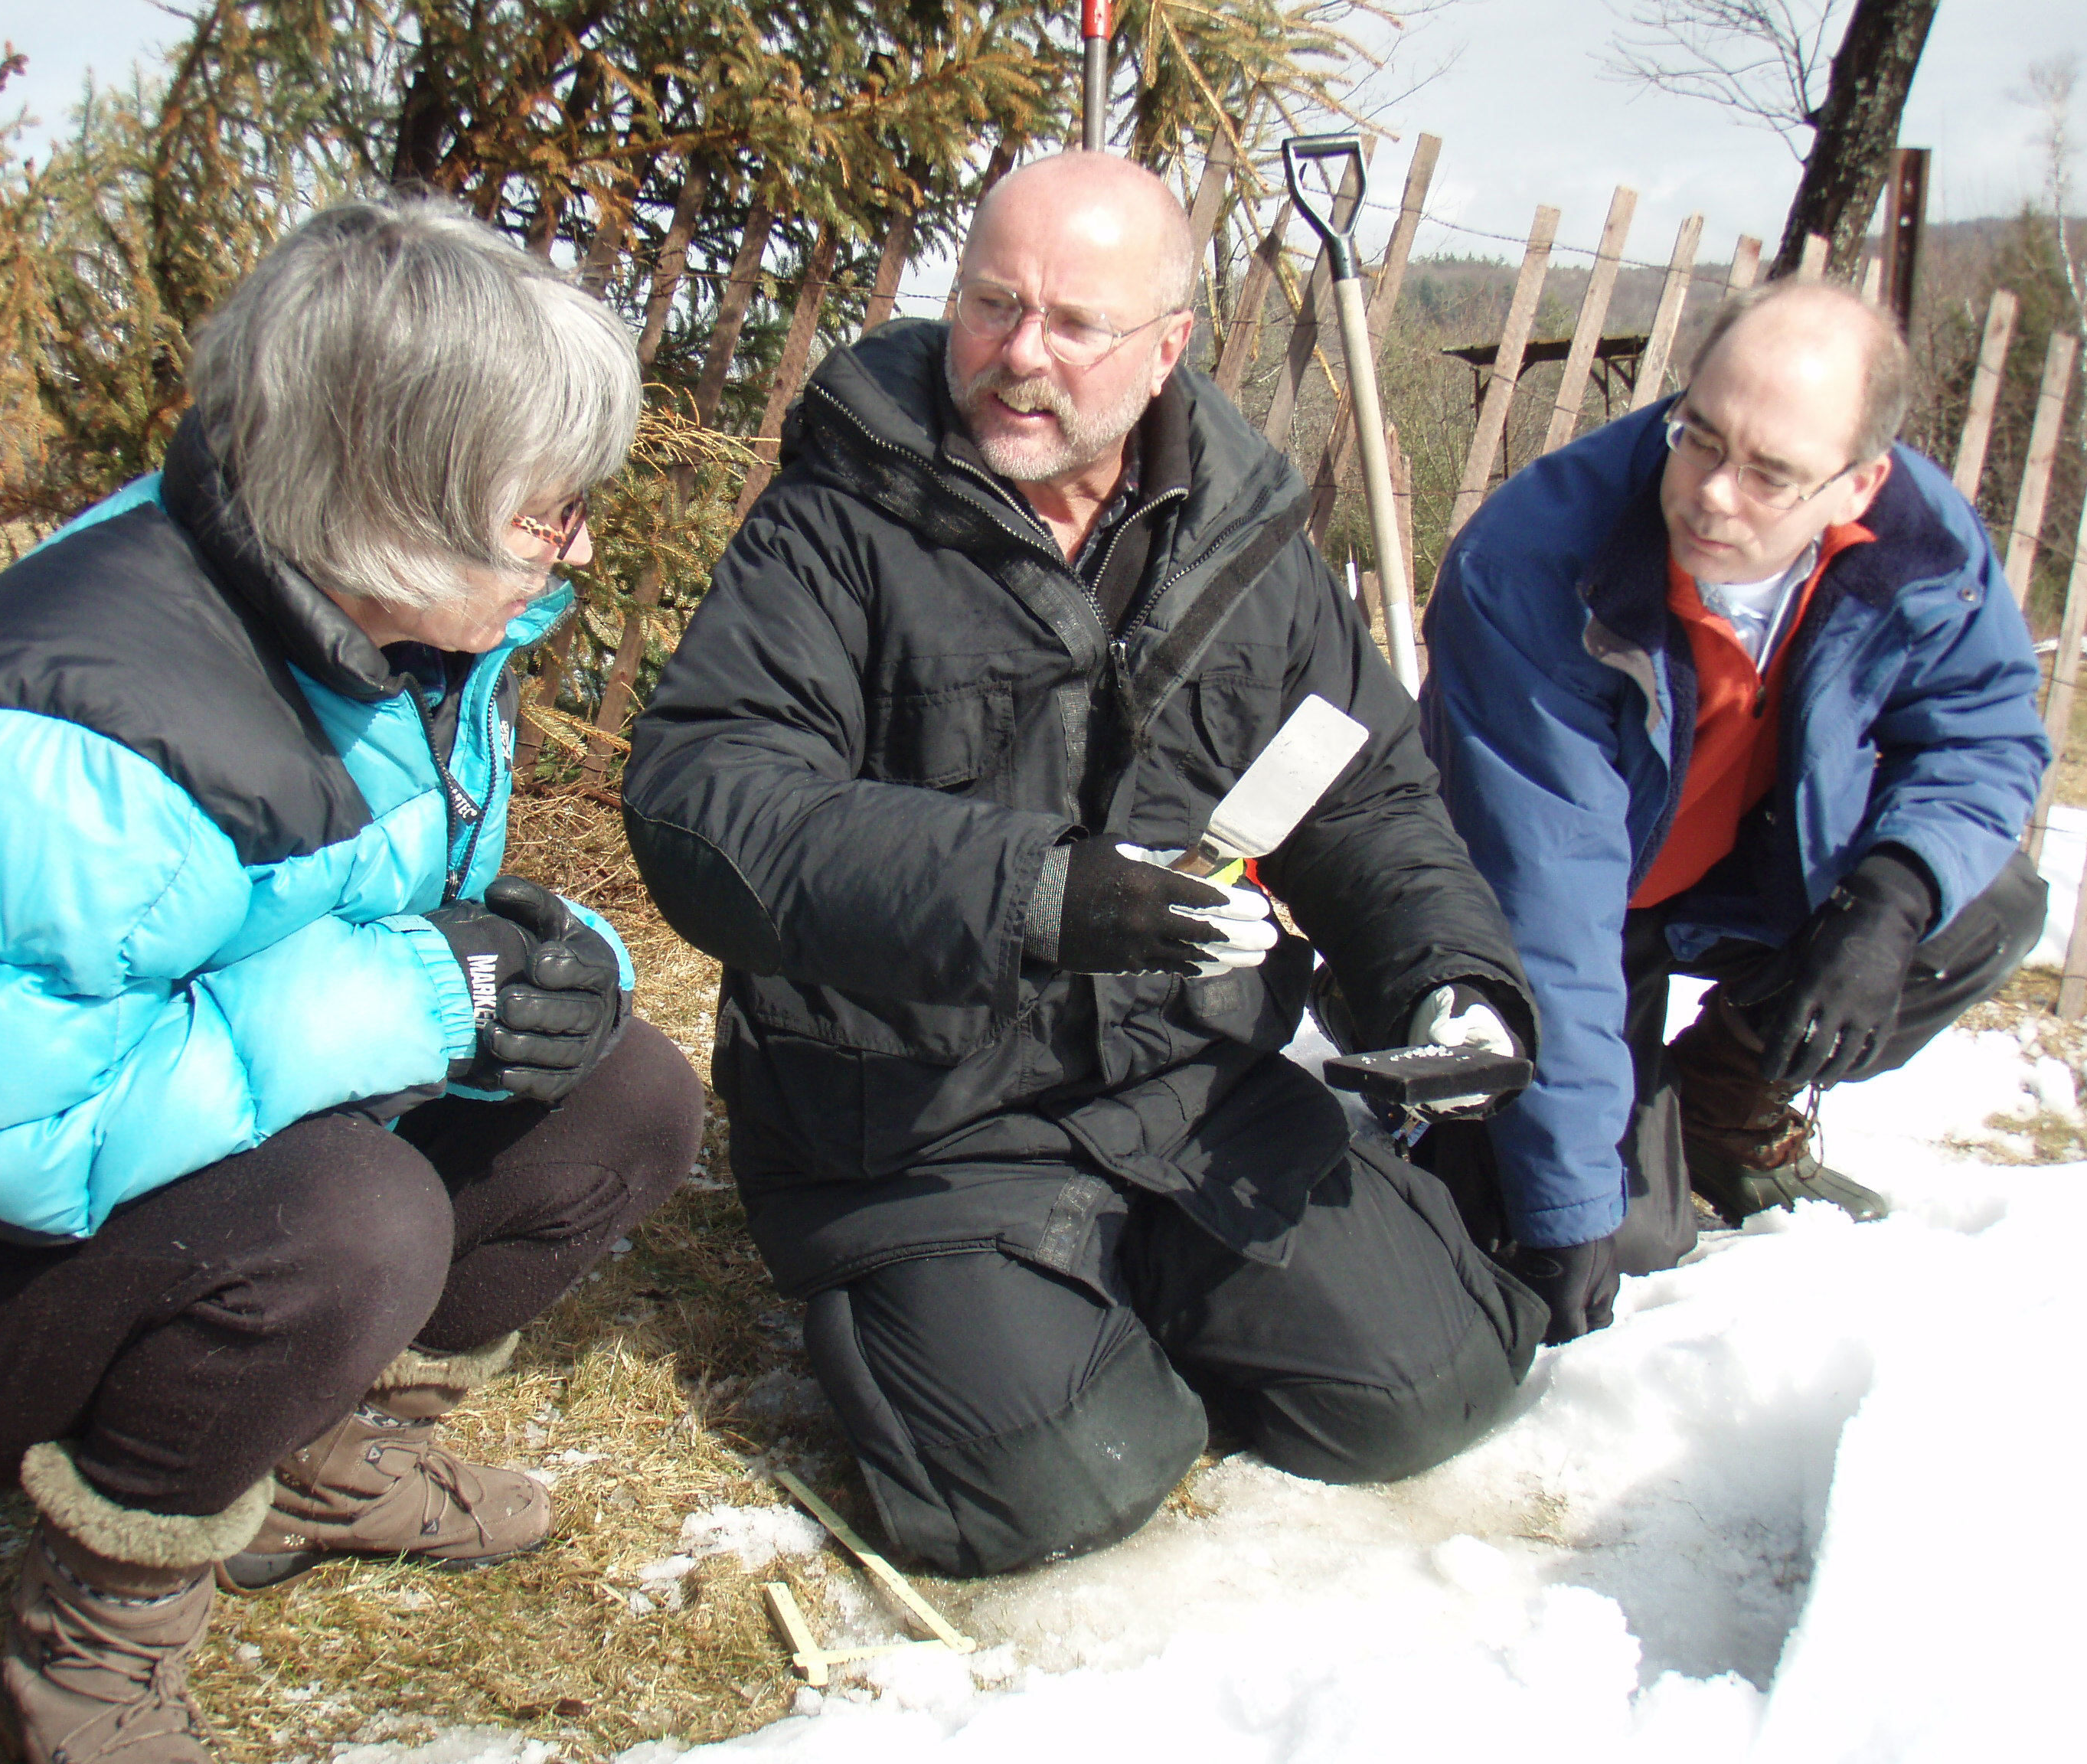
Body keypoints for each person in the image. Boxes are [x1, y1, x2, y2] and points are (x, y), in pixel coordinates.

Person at [0, 196, 705, 1763]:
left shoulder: (390, 622)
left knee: (627, 1097)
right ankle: (97, 1642)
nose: (580, 545)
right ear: (395, 488)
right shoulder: (64, 739)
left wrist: (553, 972)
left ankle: (325, 1469)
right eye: (547, 510)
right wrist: (421, 995)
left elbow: (389, 908)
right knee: (354, 1217)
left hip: (186, 1161)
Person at [621, 151, 1549, 1579]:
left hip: (1189, 1084)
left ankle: (1140, 1294)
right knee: (1059, 1482)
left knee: (1431, 1385)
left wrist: (1450, 979)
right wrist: (1037, 892)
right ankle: (987, 1323)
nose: (1018, 355)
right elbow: (706, 801)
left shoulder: (1246, 539)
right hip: (915, 1115)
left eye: (1073, 324)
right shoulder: (838, 517)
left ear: (1170, 347)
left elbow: (1361, 793)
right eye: (993, 304)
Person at [1420, 279, 2049, 1344]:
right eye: (1700, 438)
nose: (1715, 494)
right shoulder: (1536, 565)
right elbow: (1547, 906)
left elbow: (1983, 733)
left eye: (1770, 474)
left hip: (1752, 877)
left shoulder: (1922, 546)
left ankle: (1723, 1102)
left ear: (1859, 484)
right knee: (1613, 1235)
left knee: (1986, 901)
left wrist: (1889, 900)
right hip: (1580, 912)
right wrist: (1569, 1210)